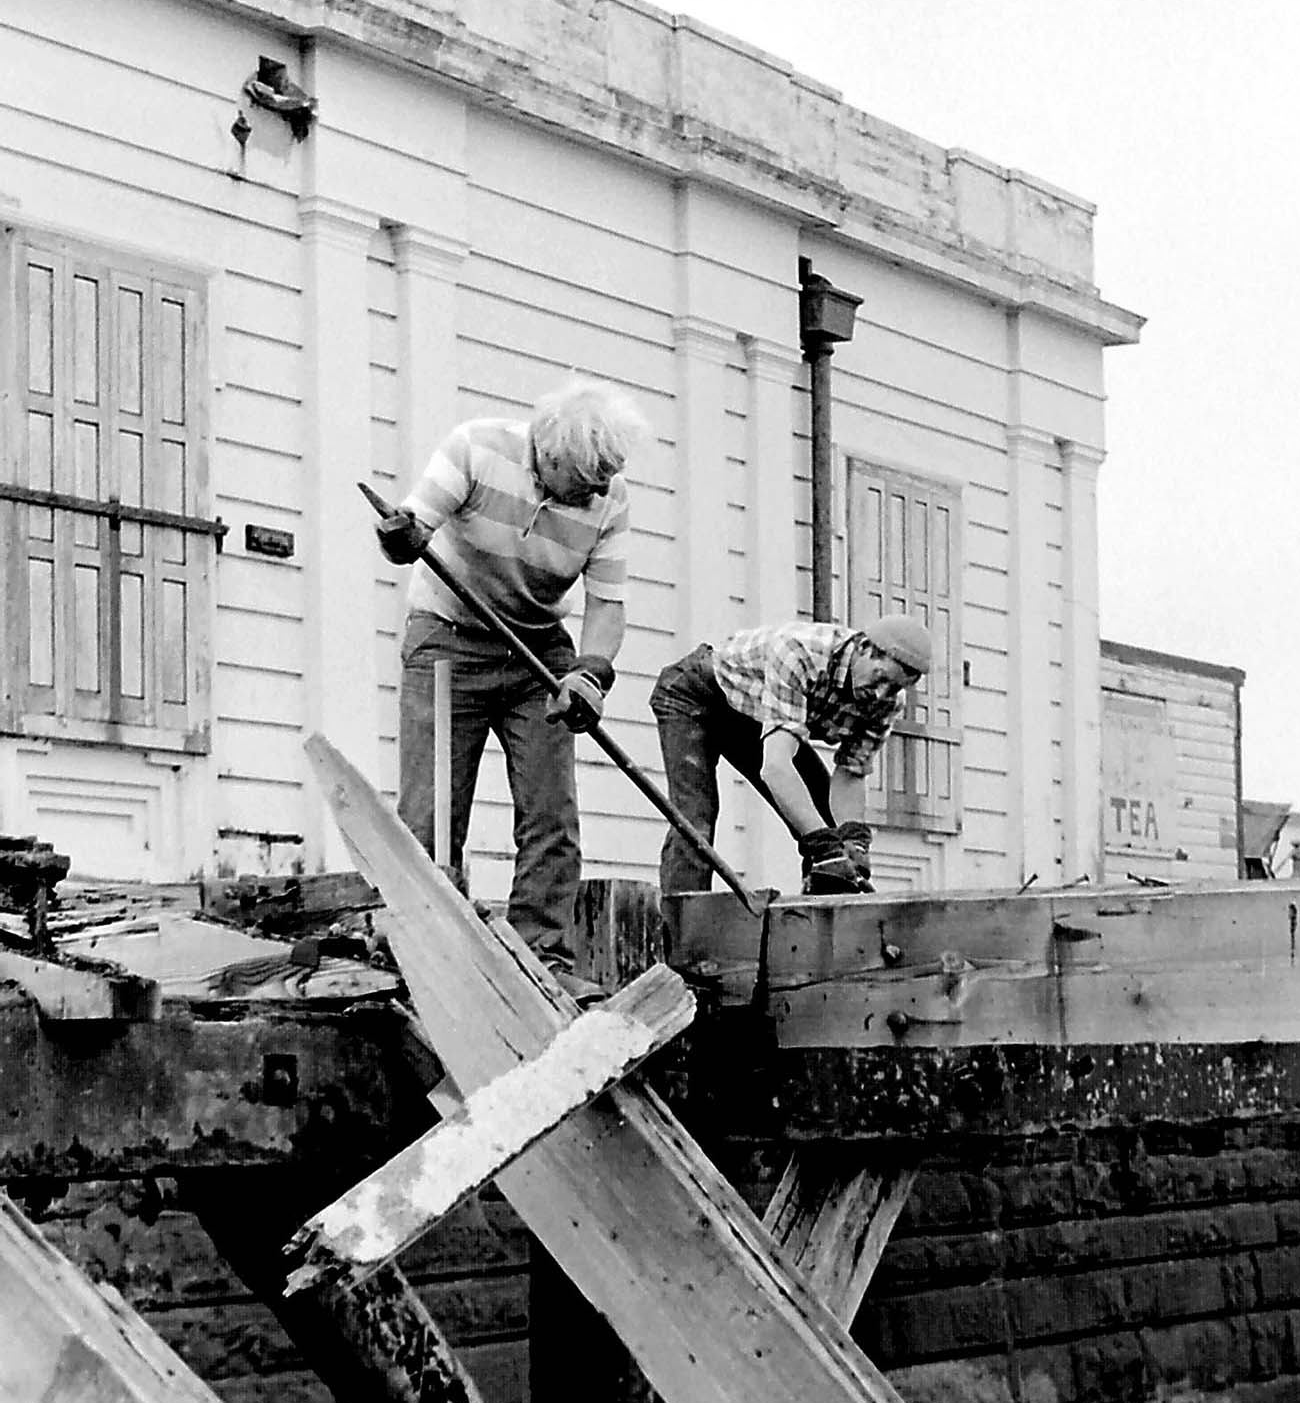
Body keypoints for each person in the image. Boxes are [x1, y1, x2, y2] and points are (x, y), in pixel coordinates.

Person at [377, 377, 651, 982]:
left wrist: (590, 674)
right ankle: (426, 953)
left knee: (552, 816)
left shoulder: (610, 499)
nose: (601, 489)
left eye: (608, 476)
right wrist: (399, 539)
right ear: (551, 455)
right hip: (447, 638)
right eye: (591, 475)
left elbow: (607, 605)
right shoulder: (475, 449)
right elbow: (411, 529)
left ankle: (542, 959)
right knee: (429, 815)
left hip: (538, 653)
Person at [648, 616, 933, 895]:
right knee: (695, 821)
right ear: (863, 648)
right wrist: (822, 845)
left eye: (894, 687)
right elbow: (776, 768)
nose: (880, 693)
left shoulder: (885, 704)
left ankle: (824, 914)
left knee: (831, 831)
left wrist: (851, 840)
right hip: (694, 695)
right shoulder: (801, 653)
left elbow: (851, 772)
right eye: (880, 678)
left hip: (756, 714)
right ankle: (682, 919)